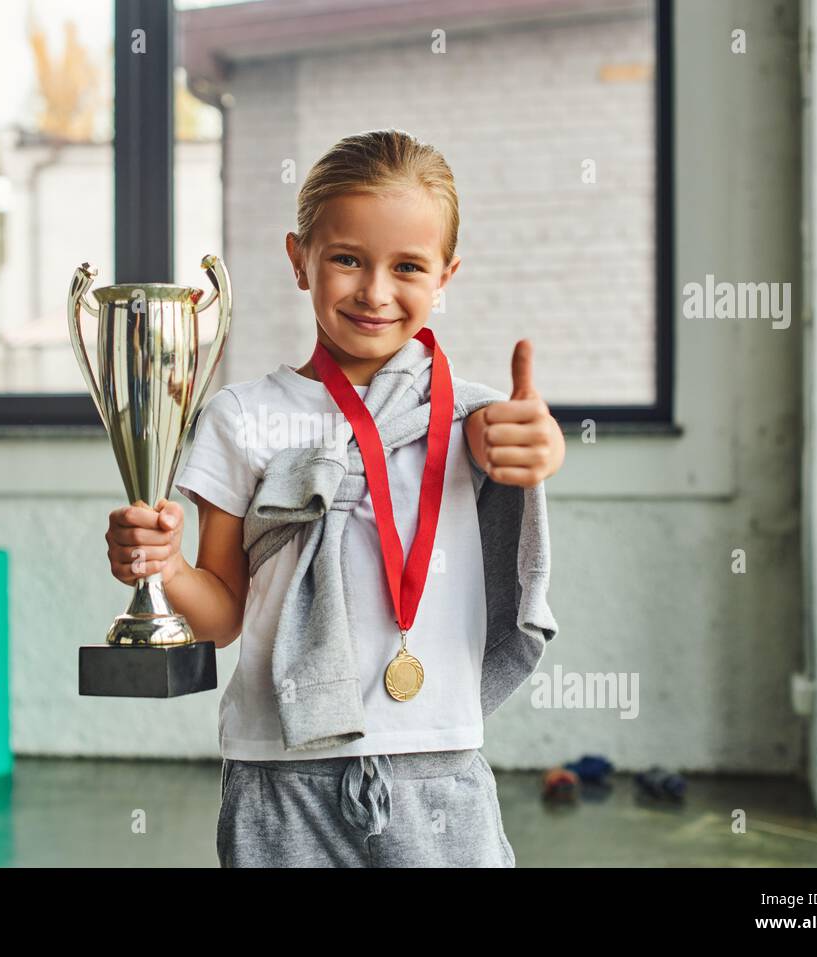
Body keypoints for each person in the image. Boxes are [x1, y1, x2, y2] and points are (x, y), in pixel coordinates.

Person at [104, 128, 564, 867]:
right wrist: (166, 569)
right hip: (279, 771)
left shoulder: (467, 419)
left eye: (408, 266)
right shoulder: (242, 416)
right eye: (347, 259)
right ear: (299, 260)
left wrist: (540, 445)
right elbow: (222, 615)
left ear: (446, 276)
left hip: (436, 767)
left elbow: (519, 445)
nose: (375, 291)